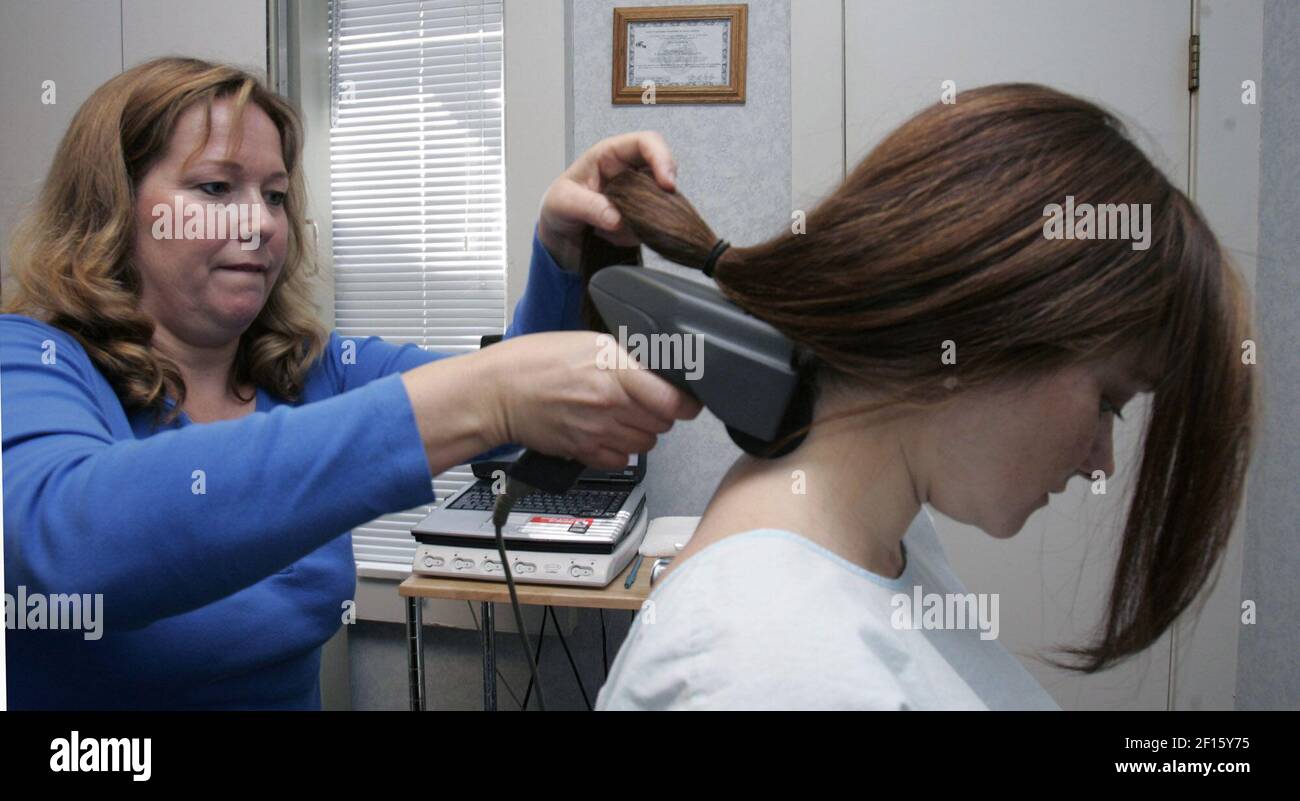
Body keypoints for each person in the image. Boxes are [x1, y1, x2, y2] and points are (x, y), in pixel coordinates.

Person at [0, 57, 700, 709]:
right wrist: (482, 396)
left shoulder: (314, 367)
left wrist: (559, 251)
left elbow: (516, 423)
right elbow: (68, 546)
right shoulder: (33, 360)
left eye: (274, 196)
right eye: (215, 188)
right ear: (114, 208)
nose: (260, 223)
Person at [592, 83, 1257, 710]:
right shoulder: (770, 668)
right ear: (982, 326)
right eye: (1110, 399)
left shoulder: (892, 528)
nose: (1101, 462)